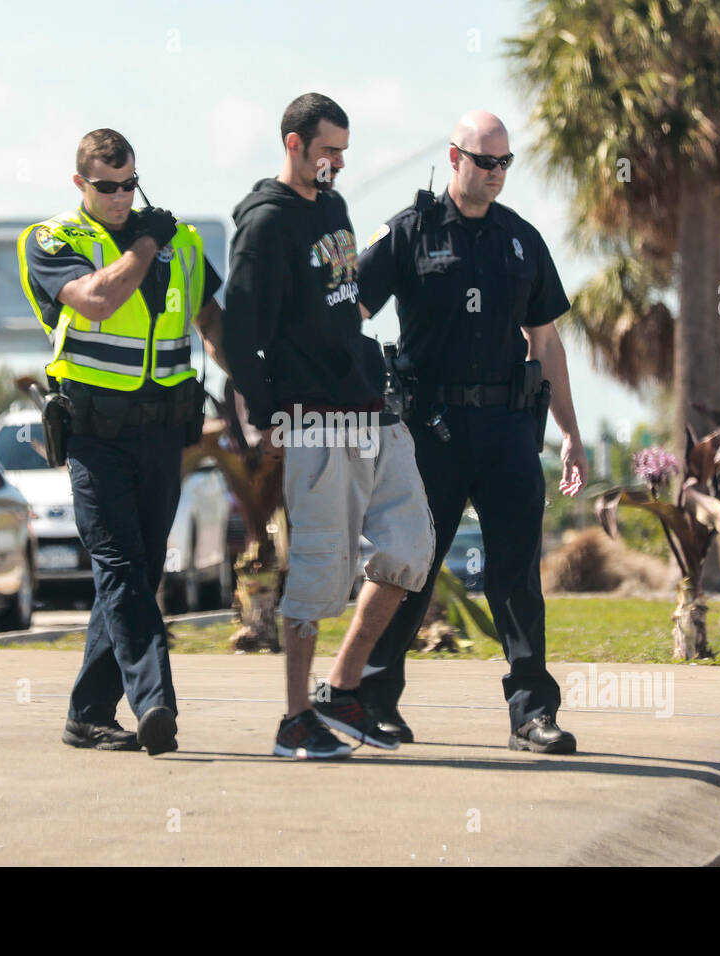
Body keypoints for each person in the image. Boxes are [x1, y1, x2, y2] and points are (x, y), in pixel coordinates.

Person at [354, 110, 588, 755]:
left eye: (505, 163)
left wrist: (569, 430)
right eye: (485, 162)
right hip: (431, 431)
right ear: (455, 157)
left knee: (516, 573)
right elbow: (353, 310)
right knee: (413, 564)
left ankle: (532, 714)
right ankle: (374, 699)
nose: (496, 174)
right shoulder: (409, 232)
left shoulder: (521, 241)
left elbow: (546, 340)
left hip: (510, 428)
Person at [223, 93, 436, 759]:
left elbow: (349, 304)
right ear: (294, 144)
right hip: (313, 421)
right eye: (327, 151)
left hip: (374, 407)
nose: (338, 163)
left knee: (411, 548)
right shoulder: (264, 226)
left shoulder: (335, 208)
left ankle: (341, 688)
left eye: (343, 151)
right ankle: (294, 721)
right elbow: (240, 333)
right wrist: (264, 418)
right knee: (318, 573)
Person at [17, 128, 226, 754]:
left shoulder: (180, 240)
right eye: (107, 187)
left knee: (141, 569)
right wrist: (143, 243)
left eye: (130, 185)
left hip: (163, 433)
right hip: (94, 435)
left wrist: (255, 384)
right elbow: (98, 301)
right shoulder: (53, 240)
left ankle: (86, 714)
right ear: (80, 183)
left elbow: (211, 321)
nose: (120, 196)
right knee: (119, 566)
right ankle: (154, 699)